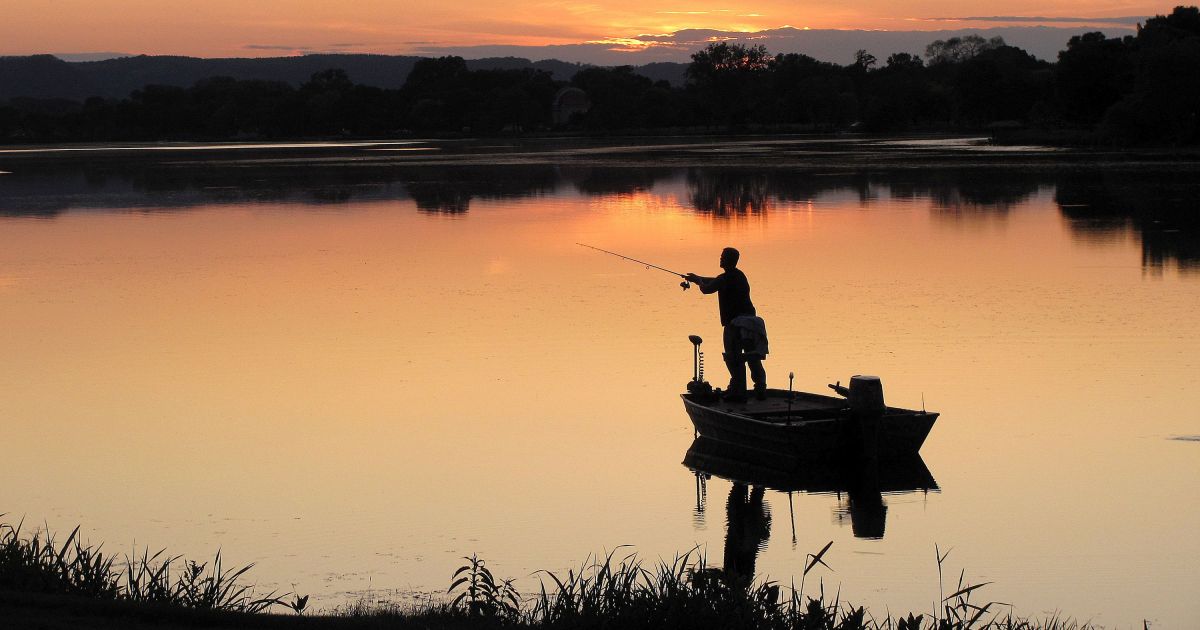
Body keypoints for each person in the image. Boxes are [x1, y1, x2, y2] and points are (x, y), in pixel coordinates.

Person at [685, 247, 767, 401]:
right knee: (753, 358)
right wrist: (697, 278)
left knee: (733, 358)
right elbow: (716, 281)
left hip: (735, 325)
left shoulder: (725, 279)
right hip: (751, 323)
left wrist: (698, 282)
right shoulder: (738, 275)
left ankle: (738, 391)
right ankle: (760, 388)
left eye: (722, 257)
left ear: (729, 260)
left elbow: (707, 289)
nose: (720, 259)